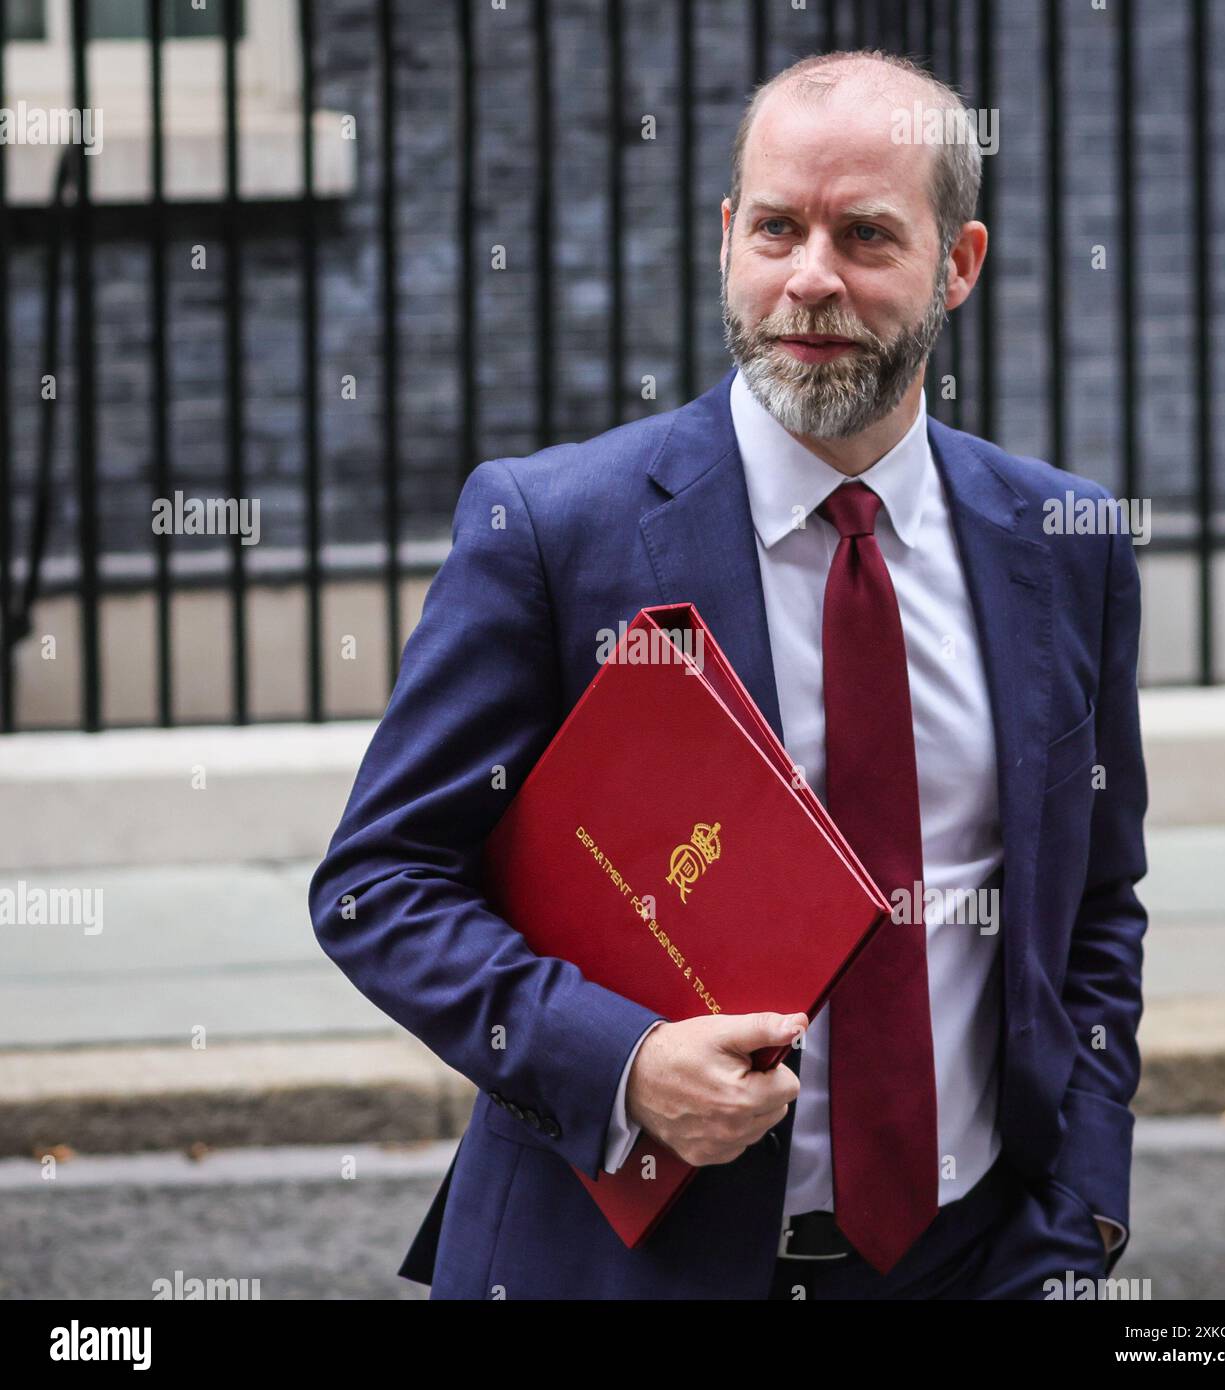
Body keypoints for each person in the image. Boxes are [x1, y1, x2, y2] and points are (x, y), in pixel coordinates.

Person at [308, 47, 1148, 1300]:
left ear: (957, 263)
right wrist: (626, 1064)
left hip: (979, 1262)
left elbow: (1096, 903)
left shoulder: (1061, 544)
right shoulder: (556, 530)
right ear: (727, 238)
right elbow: (379, 883)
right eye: (777, 229)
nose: (810, 280)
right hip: (631, 1268)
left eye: (866, 235)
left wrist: (1081, 1215)